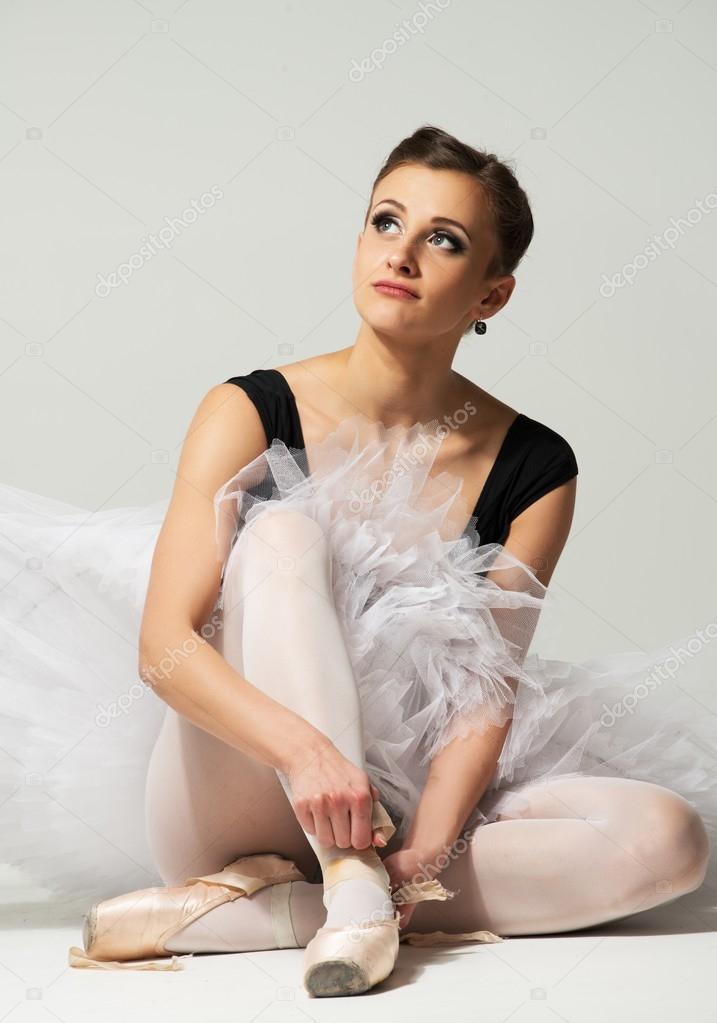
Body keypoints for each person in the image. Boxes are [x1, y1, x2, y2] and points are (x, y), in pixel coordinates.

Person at [1, 126, 713, 998]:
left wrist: (424, 849)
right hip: (247, 789)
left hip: (399, 802)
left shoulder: (535, 466)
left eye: (442, 239)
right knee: (282, 533)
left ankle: (286, 910)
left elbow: (484, 693)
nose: (402, 254)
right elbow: (165, 647)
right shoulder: (250, 408)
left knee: (668, 838)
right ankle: (338, 882)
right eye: (385, 221)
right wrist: (308, 756)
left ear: (493, 292)